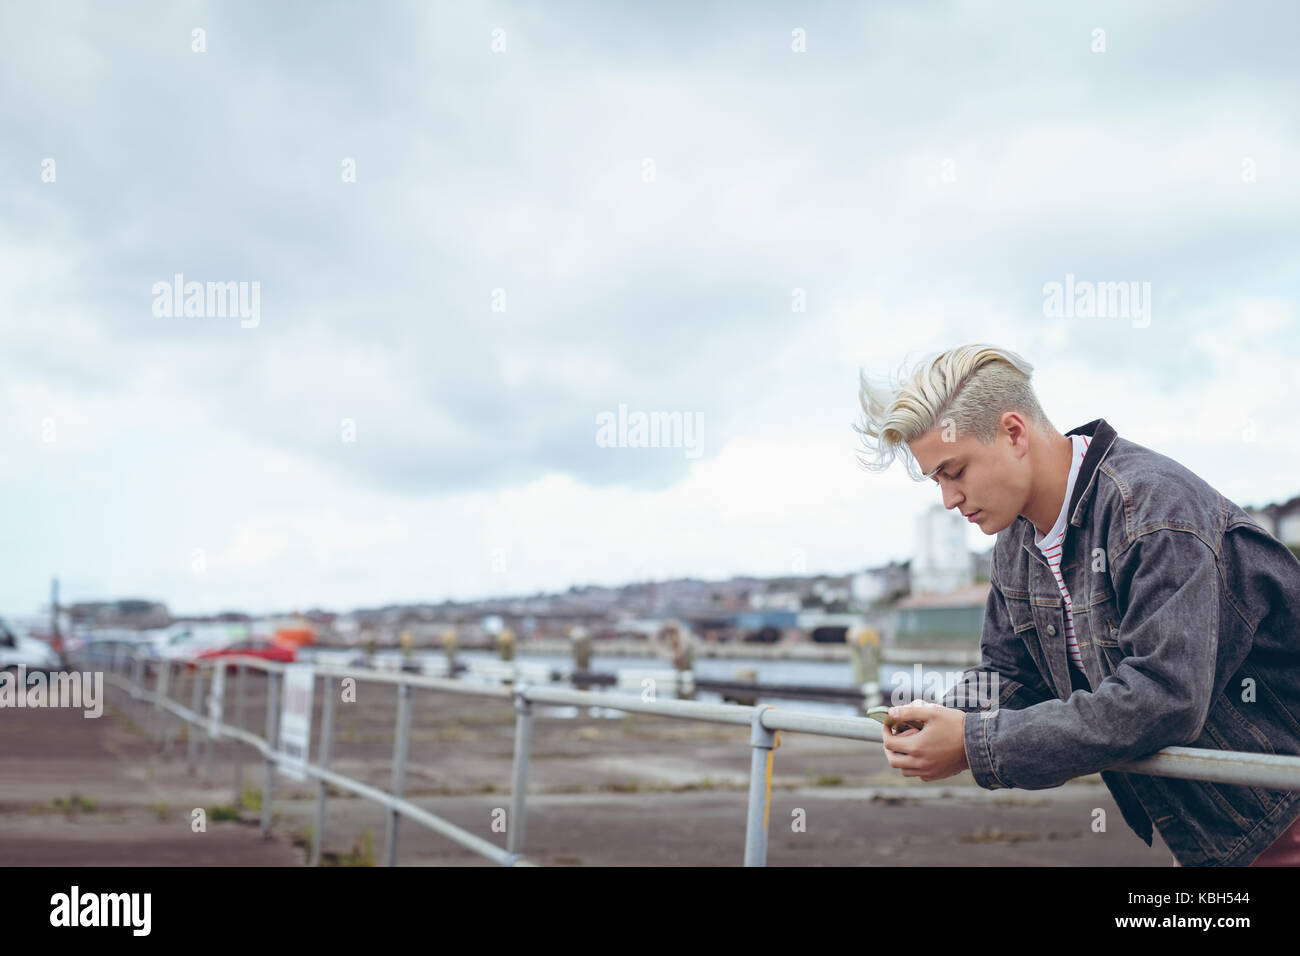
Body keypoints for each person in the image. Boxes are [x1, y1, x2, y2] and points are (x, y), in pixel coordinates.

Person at [854, 343, 1300, 866]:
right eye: (937, 481)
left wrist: (975, 743)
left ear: (1014, 432)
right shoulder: (1015, 541)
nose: (949, 499)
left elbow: (1164, 698)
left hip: (1282, 807)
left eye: (955, 471)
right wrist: (942, 717)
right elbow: (1011, 673)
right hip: (1215, 825)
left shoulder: (1156, 512)